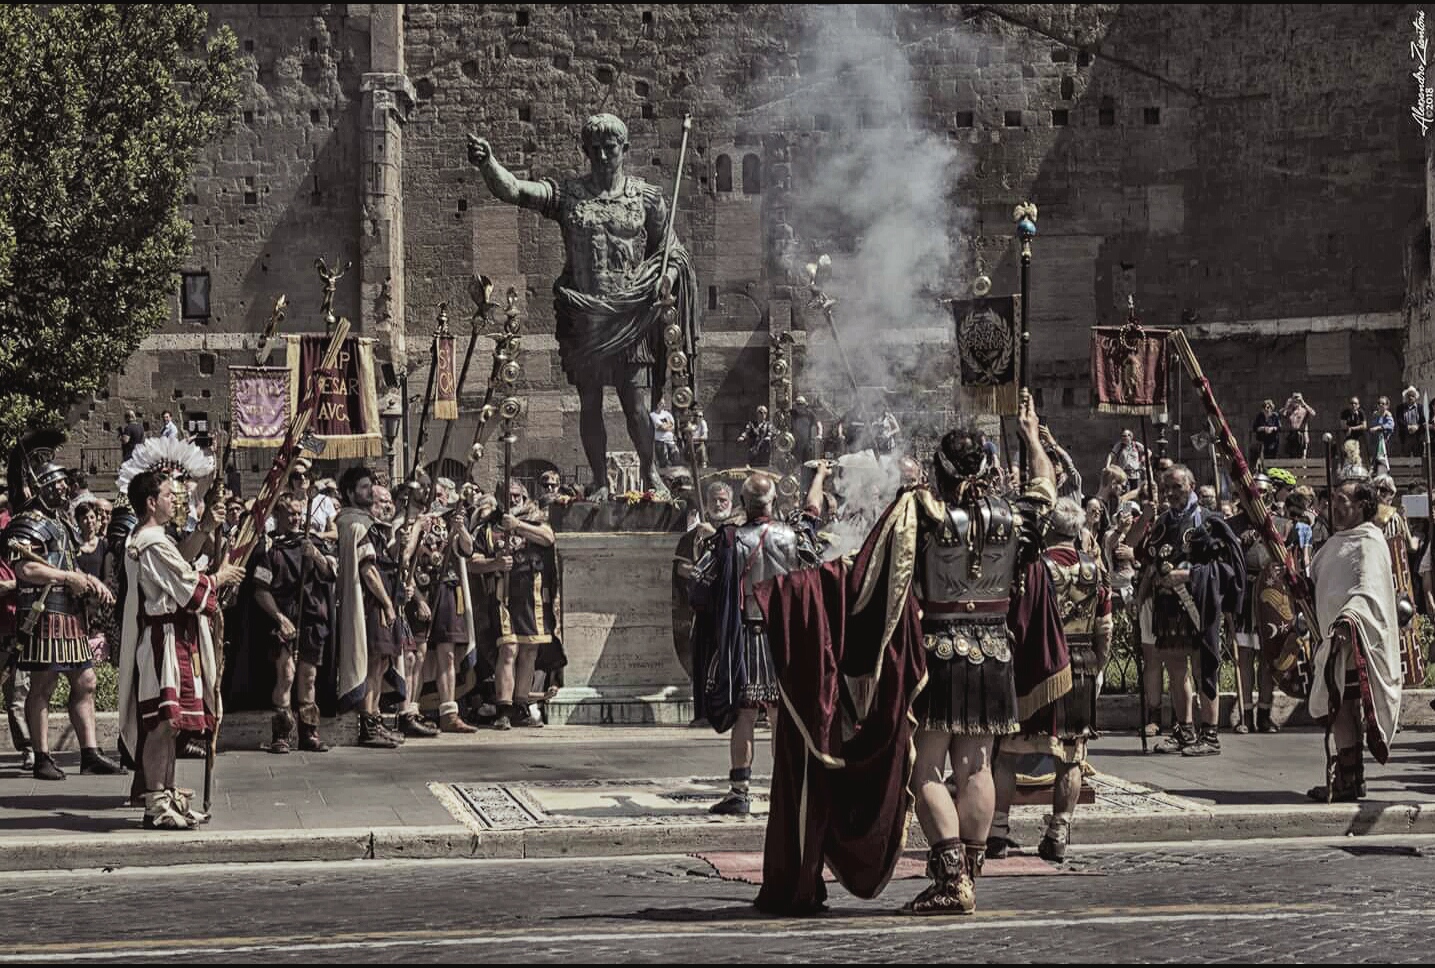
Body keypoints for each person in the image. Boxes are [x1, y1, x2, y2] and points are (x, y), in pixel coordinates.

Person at [469, 114, 697, 499]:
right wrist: (488, 162)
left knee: (636, 402)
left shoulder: (647, 198)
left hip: (629, 313)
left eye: (611, 148)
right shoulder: (568, 195)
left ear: (625, 150)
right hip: (583, 315)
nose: (604, 155)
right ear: (585, 151)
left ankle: (648, 473)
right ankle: (601, 481)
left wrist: (668, 278)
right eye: (596, 149)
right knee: (589, 401)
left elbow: (672, 251)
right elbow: (514, 191)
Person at [116, 468, 245, 828]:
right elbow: (185, 586)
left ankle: (168, 793)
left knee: (172, 725)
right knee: (163, 722)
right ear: (150, 501)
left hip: (175, 638)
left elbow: (180, 571)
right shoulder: (151, 542)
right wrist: (219, 578)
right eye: (169, 495)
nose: (175, 500)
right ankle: (156, 801)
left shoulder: (154, 538)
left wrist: (206, 529)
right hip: (163, 640)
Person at [990, 497, 1111, 863]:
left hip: (1036, 667)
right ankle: (1058, 833)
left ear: (1049, 528)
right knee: (1070, 759)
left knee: (1008, 753)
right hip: (1080, 668)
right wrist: (1100, 667)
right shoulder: (1094, 570)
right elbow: (1105, 626)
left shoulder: (1033, 568)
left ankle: (997, 832)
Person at [692, 473, 818, 816]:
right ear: (773, 501)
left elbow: (699, 583)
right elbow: (817, 576)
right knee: (781, 716)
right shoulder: (796, 538)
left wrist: (704, 545)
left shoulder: (729, 539)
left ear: (743, 503)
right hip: (785, 637)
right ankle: (784, 792)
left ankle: (740, 793)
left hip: (744, 635)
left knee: (744, 715)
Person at [4, 433, 125, 781]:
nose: (61, 490)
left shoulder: (63, 523)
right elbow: (26, 569)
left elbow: (73, 564)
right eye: (54, 484)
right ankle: (41, 755)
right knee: (43, 684)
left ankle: (90, 752)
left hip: (71, 614)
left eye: (62, 484)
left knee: (86, 680)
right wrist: (66, 578)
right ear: (39, 487)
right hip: (43, 613)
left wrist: (91, 583)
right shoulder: (27, 522)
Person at [1130, 464, 1245, 757]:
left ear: (1192, 486)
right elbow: (1148, 560)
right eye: (1166, 488)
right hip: (1168, 605)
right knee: (1175, 668)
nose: (1170, 494)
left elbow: (1227, 567)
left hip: (1200, 604)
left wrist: (1189, 575)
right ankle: (1184, 731)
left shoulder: (1209, 522)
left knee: (1203, 668)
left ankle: (1210, 735)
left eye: (1176, 487)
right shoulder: (1162, 523)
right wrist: (1141, 597)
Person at [1306, 476, 1403, 801]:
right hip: (1334, 640)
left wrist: (1350, 618)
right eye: (1332, 501)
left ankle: (1348, 779)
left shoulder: (1371, 541)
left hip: (1357, 641)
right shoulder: (1336, 542)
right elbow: (1318, 578)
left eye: (1342, 501)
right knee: (1342, 709)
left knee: (1345, 708)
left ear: (1362, 505)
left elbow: (1369, 590)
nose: (1334, 507)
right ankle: (1350, 777)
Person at [252, 492, 336, 754]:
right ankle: (282, 732)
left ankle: (309, 732)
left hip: (311, 617)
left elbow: (331, 573)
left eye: (299, 514)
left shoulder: (313, 543)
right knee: (286, 674)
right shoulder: (270, 548)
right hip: (284, 617)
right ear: (278, 516)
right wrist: (279, 618)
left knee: (308, 677)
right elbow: (260, 590)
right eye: (291, 514)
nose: (296, 519)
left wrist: (317, 556)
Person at [475, 480, 561, 729]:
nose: (513, 500)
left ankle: (521, 704)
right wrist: (494, 565)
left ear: (524, 496)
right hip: (503, 596)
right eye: (508, 496)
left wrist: (519, 526)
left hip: (531, 596)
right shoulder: (489, 527)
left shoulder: (535, 520)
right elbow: (473, 561)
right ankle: (504, 706)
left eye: (517, 496)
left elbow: (548, 538)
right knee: (509, 648)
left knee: (529, 650)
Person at [334, 466, 407, 748]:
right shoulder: (355, 524)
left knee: (380, 662)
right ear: (351, 493)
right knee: (371, 660)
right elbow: (368, 570)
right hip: (369, 604)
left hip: (377, 603)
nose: (369, 491)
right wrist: (388, 605)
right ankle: (367, 722)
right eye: (363, 487)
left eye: (369, 486)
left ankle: (375, 717)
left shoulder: (366, 522)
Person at [1225, 474, 1281, 734]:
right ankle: (1246, 714)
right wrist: (1236, 543)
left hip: (1270, 597)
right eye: (1251, 493)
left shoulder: (1281, 526)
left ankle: (1265, 713)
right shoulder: (1231, 526)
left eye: (1260, 492)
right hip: (1243, 595)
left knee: (1268, 659)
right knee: (1244, 657)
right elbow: (1222, 561)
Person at [1282, 392, 1318, 458]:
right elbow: (1282, 415)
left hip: (1302, 436)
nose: (1296, 400)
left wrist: (1303, 403)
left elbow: (1313, 414)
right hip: (1291, 437)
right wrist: (1286, 405)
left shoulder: (1304, 410)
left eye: (1298, 398)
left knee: (1302, 457)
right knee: (1292, 458)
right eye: (1294, 398)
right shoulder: (1289, 411)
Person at [651, 394, 679, 469]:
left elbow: (673, 426)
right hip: (660, 441)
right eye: (661, 403)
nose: (663, 405)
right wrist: (667, 426)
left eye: (664, 403)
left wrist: (665, 426)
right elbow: (661, 427)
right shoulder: (653, 415)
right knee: (664, 463)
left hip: (671, 441)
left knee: (676, 460)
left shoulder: (667, 414)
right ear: (657, 404)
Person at [1367, 396, 1395, 472]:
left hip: (1385, 443)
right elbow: (1371, 425)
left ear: (1387, 405)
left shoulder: (1388, 415)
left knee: (1383, 462)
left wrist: (1379, 428)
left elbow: (1390, 426)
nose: (1380, 405)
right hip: (1375, 442)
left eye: (1383, 404)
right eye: (1379, 403)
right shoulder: (1375, 415)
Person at [1396, 387, 1425, 459]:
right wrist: (1408, 427)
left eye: (1412, 396)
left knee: (1418, 457)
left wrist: (1417, 427)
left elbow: (1423, 420)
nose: (1410, 397)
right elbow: (1399, 420)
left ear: (1416, 397)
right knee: (1405, 457)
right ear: (1406, 397)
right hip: (1405, 435)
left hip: (1418, 436)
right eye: (1409, 395)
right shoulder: (1400, 407)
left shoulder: (1420, 407)